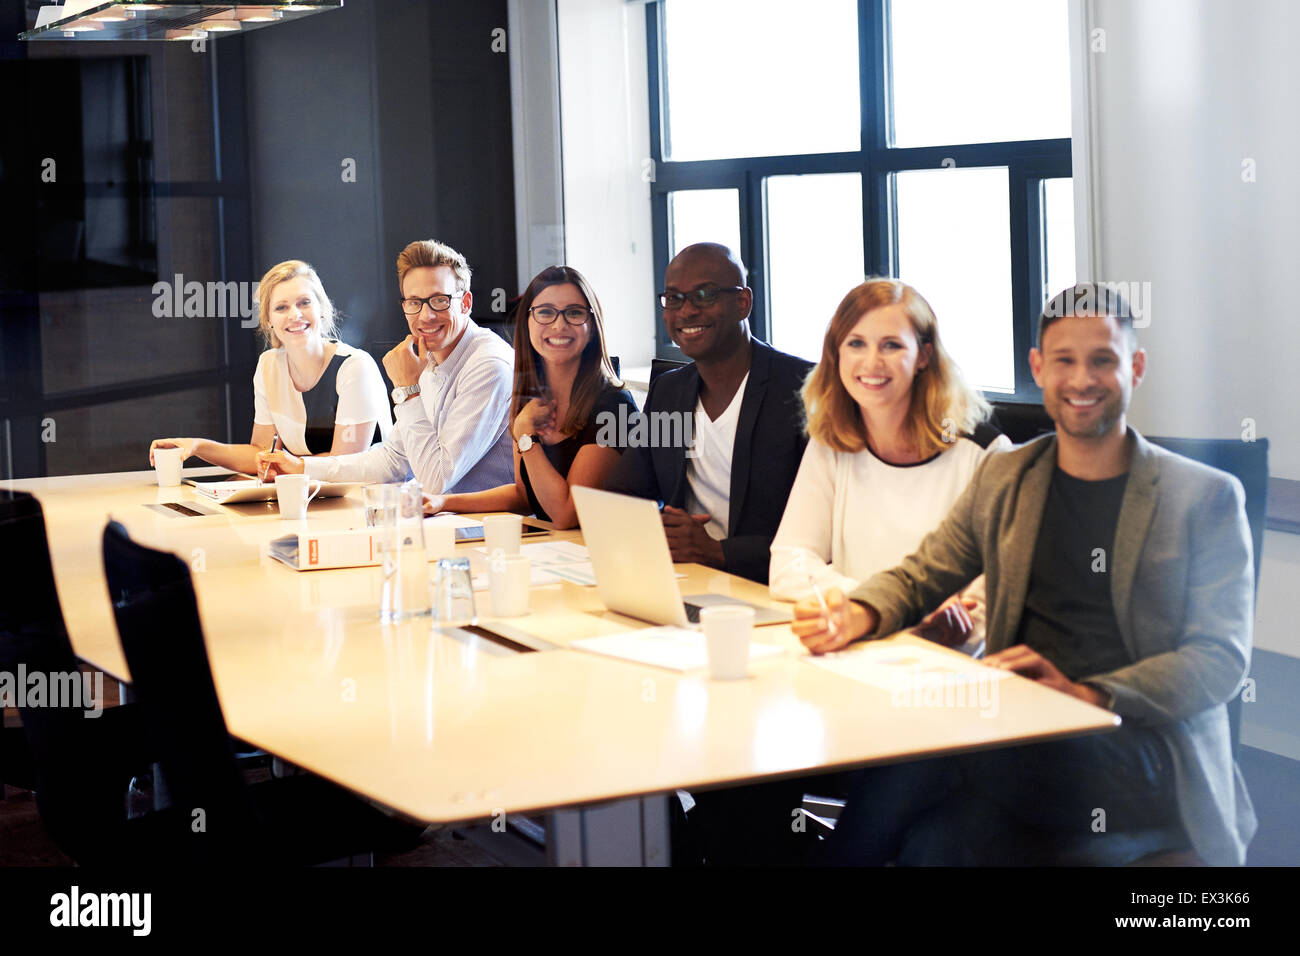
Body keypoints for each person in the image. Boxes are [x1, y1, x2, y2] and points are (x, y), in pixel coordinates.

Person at [795, 283, 1257, 866]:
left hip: (1133, 743)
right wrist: (856, 612)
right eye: (1064, 360)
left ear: (1135, 367)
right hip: (1020, 737)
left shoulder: (1203, 497)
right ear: (1039, 368)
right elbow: (923, 574)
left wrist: (1084, 692)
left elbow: (1218, 659)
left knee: (927, 739)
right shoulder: (1009, 477)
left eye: (1103, 360)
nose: (1081, 379)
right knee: (927, 847)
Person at [769, 278, 1009, 648]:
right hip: (858, 642)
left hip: (949, 660)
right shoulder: (832, 440)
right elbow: (788, 565)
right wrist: (875, 608)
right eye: (856, 344)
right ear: (836, 354)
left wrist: (865, 607)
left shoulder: (984, 452)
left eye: (892, 345)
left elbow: (992, 595)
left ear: (924, 356)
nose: (871, 362)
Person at [604, 242, 811, 584]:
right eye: (673, 298)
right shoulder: (670, 391)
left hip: (774, 588)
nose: (686, 311)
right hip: (687, 578)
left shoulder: (804, 390)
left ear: (743, 302)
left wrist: (716, 551)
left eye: (704, 295)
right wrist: (656, 531)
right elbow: (622, 494)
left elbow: (829, 533)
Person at [259, 240, 514, 495]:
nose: (426, 316)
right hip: (444, 522)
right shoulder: (429, 357)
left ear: (465, 303)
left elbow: (437, 480)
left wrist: (408, 390)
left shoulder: (488, 365)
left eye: (439, 300)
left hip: (491, 528)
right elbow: (392, 460)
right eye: (414, 302)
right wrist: (301, 467)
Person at [422, 265, 636, 528]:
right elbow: (525, 495)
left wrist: (526, 438)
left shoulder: (615, 409)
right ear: (527, 322)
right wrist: (443, 503)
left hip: (600, 556)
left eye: (574, 313)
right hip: (556, 551)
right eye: (545, 312)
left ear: (592, 325)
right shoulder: (529, 398)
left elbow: (566, 515)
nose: (559, 325)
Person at [148, 260, 390, 475]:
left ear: (322, 309)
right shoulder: (269, 365)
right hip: (309, 500)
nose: (295, 314)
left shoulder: (355, 367)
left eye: (304, 302)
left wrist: (285, 464)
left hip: (371, 505)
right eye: (281, 307)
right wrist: (197, 446)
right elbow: (262, 453)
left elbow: (343, 464)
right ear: (268, 321)